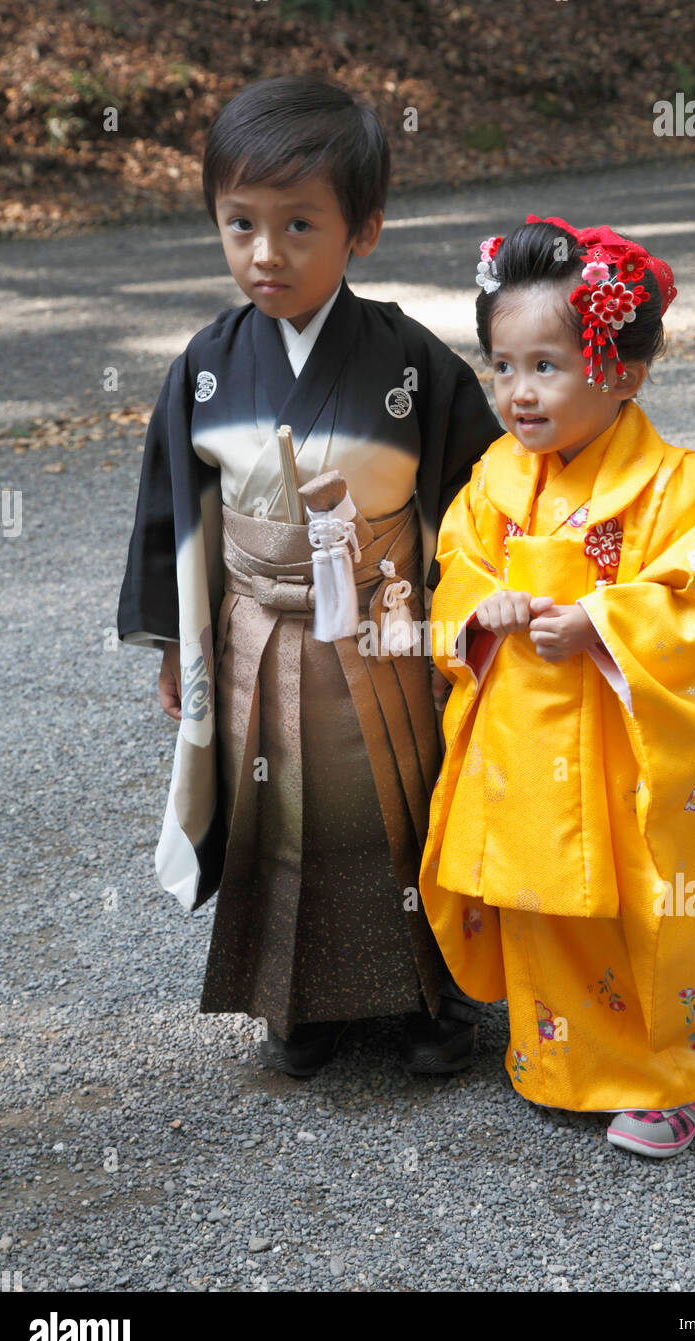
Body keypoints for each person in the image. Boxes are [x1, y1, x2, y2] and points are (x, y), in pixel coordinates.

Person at [117, 76, 502, 1077]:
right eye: (238, 223)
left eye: (298, 224)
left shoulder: (409, 360)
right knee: (278, 813)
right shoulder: (205, 363)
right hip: (259, 631)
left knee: (398, 805)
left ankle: (434, 1000)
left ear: (361, 230)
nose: (264, 252)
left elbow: (478, 492)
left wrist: (471, 612)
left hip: (381, 629)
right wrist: (172, 637)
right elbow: (172, 508)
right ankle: (299, 1001)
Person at [420, 216, 695, 1157]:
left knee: (642, 901)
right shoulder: (493, 479)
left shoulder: (677, 486)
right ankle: (552, 1060)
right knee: (535, 897)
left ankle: (672, 1077)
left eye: (545, 365)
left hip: (617, 740)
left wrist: (602, 621)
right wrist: (484, 611)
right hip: (523, 737)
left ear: (620, 370)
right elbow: (457, 569)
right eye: (500, 366)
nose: (518, 392)